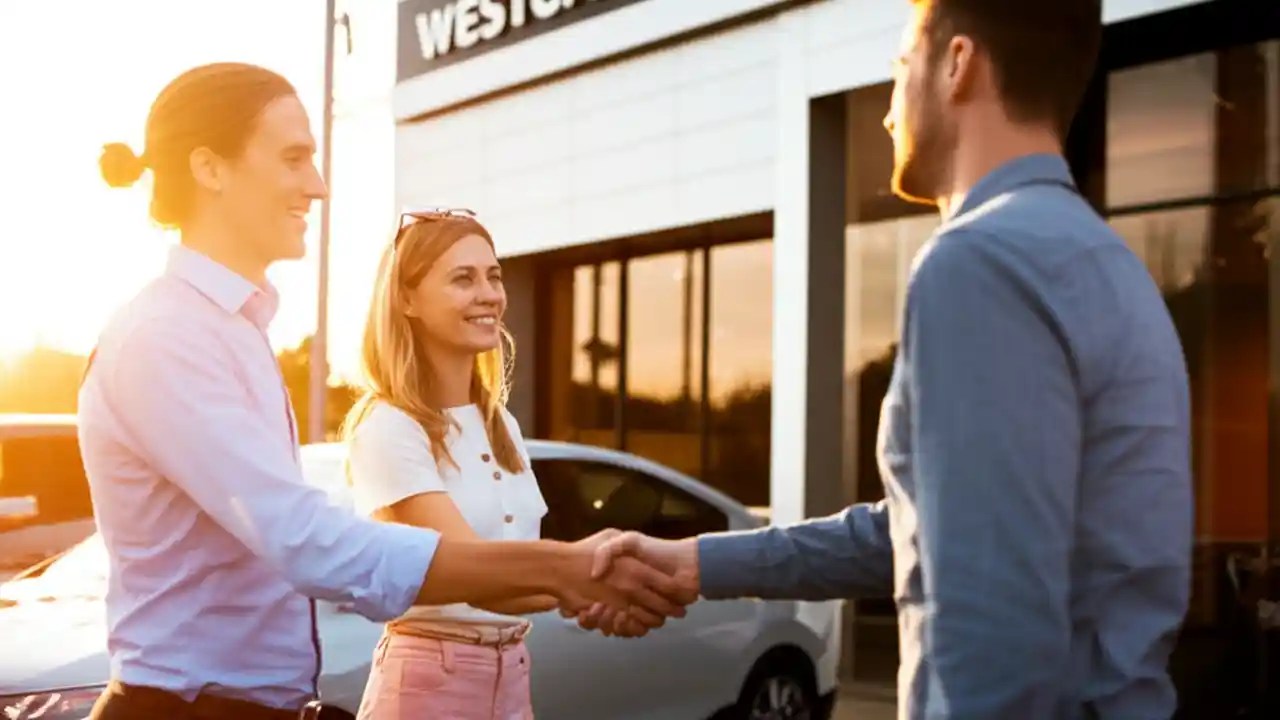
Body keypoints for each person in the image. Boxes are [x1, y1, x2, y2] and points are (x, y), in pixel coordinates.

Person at [585, 1, 1193, 718]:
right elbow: (927, 536)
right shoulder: (1112, 267)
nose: (887, 108)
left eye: (901, 65)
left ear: (957, 65)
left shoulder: (980, 263)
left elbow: (994, 627)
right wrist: (696, 563)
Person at [81, 62, 691, 720]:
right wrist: (565, 569)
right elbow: (306, 541)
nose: (316, 186)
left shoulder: (230, 330)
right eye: (293, 158)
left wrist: (570, 577)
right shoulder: (166, 336)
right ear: (210, 168)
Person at [342, 208, 637, 719]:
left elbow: (517, 569)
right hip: (429, 684)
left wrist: (595, 582)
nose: (489, 294)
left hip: (513, 673)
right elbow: (472, 570)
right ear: (406, 299)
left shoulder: (502, 424)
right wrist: (590, 578)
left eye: (493, 276)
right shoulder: (388, 427)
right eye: (463, 278)